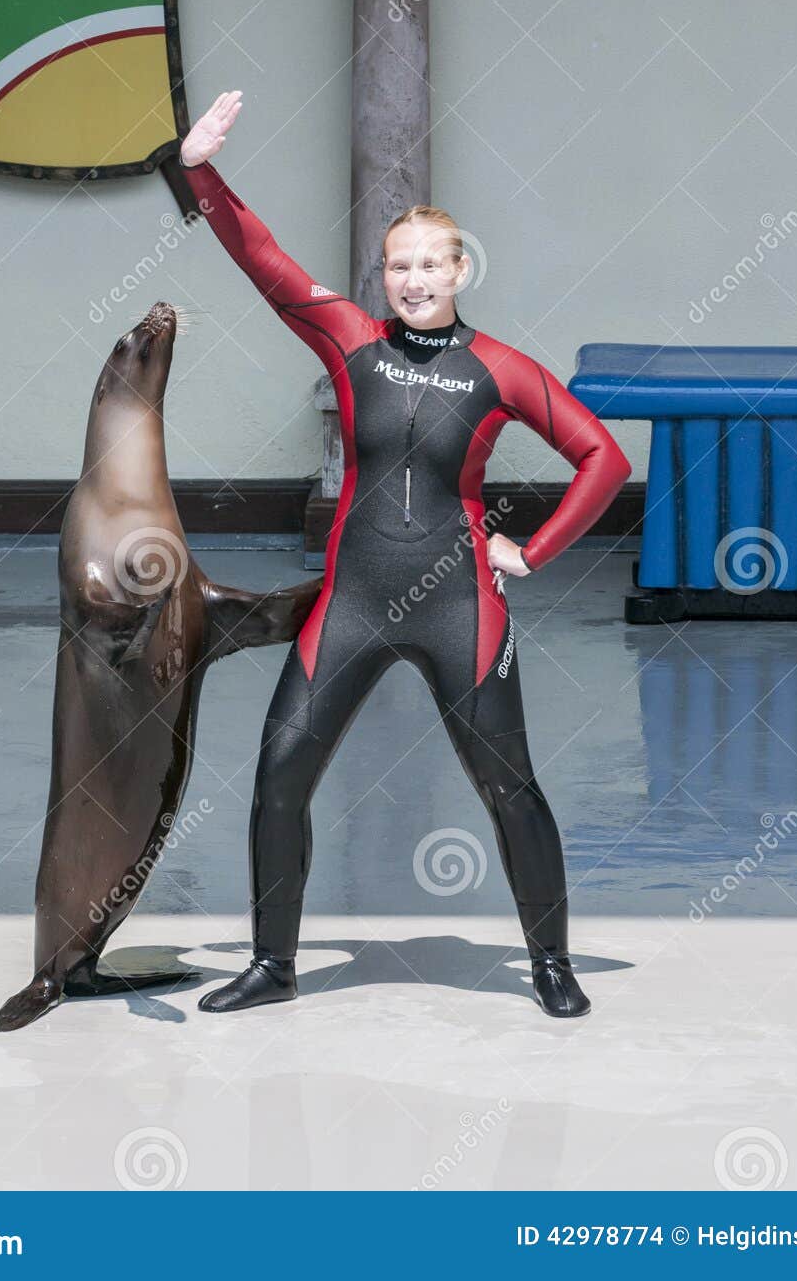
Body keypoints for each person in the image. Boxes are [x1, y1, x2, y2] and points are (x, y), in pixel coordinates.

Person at [180, 90, 631, 1018]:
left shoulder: (500, 368)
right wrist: (198, 170)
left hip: (459, 604)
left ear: (460, 268)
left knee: (508, 785)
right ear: (381, 275)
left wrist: (532, 552)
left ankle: (550, 964)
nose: (415, 280)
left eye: (432, 264)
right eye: (399, 266)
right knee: (278, 775)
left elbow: (603, 457)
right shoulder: (350, 340)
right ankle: (274, 964)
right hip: (350, 602)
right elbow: (264, 264)